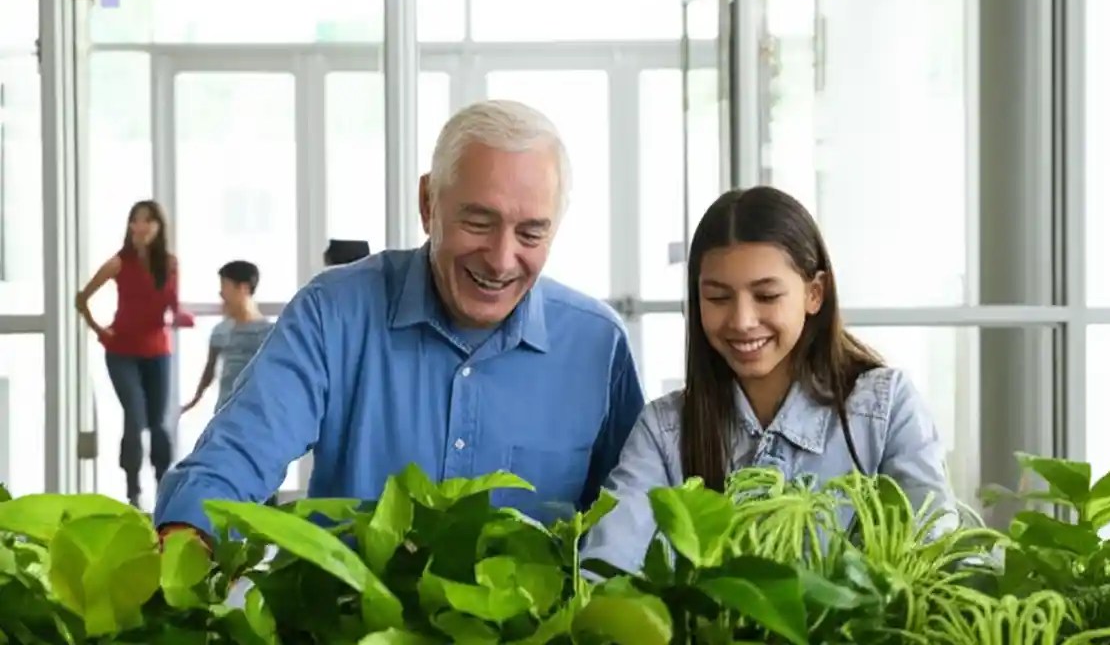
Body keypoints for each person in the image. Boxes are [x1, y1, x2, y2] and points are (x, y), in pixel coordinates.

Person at [154, 99, 646, 541]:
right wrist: (189, 533)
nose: (501, 259)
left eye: (531, 234)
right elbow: (239, 452)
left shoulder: (597, 345)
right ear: (428, 203)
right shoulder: (334, 313)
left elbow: (634, 522)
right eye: (478, 222)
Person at [581, 186, 957, 573]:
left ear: (814, 293)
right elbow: (608, 566)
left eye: (766, 295)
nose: (742, 320)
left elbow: (941, 558)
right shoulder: (664, 430)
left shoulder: (886, 408)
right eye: (718, 298)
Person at [75, 200, 195, 508]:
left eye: (148, 221)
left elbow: (171, 304)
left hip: (157, 351)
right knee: (135, 415)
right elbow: (82, 298)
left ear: (158, 227)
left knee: (158, 422)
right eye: (135, 221)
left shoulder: (169, 264)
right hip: (122, 352)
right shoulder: (119, 263)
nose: (140, 227)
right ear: (130, 226)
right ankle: (133, 492)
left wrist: (181, 316)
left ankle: (163, 486)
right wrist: (99, 330)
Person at [181, 260, 273, 417]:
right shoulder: (220, 331)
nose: (221, 294)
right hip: (225, 413)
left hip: (259, 414)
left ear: (243, 288)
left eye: (225, 286)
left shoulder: (270, 333)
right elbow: (209, 370)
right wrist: (194, 401)